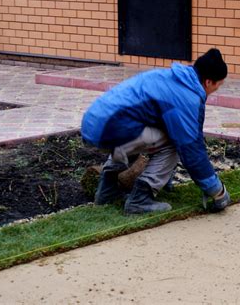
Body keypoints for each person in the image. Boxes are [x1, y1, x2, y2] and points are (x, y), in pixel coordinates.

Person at [81, 48, 231, 214]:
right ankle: (139, 199)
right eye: (219, 85)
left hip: (94, 124)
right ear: (209, 82)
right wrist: (217, 190)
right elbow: (191, 149)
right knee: (175, 144)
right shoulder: (186, 96)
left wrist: (166, 176)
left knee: (146, 134)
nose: (216, 89)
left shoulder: (172, 77)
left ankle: (106, 192)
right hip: (112, 129)